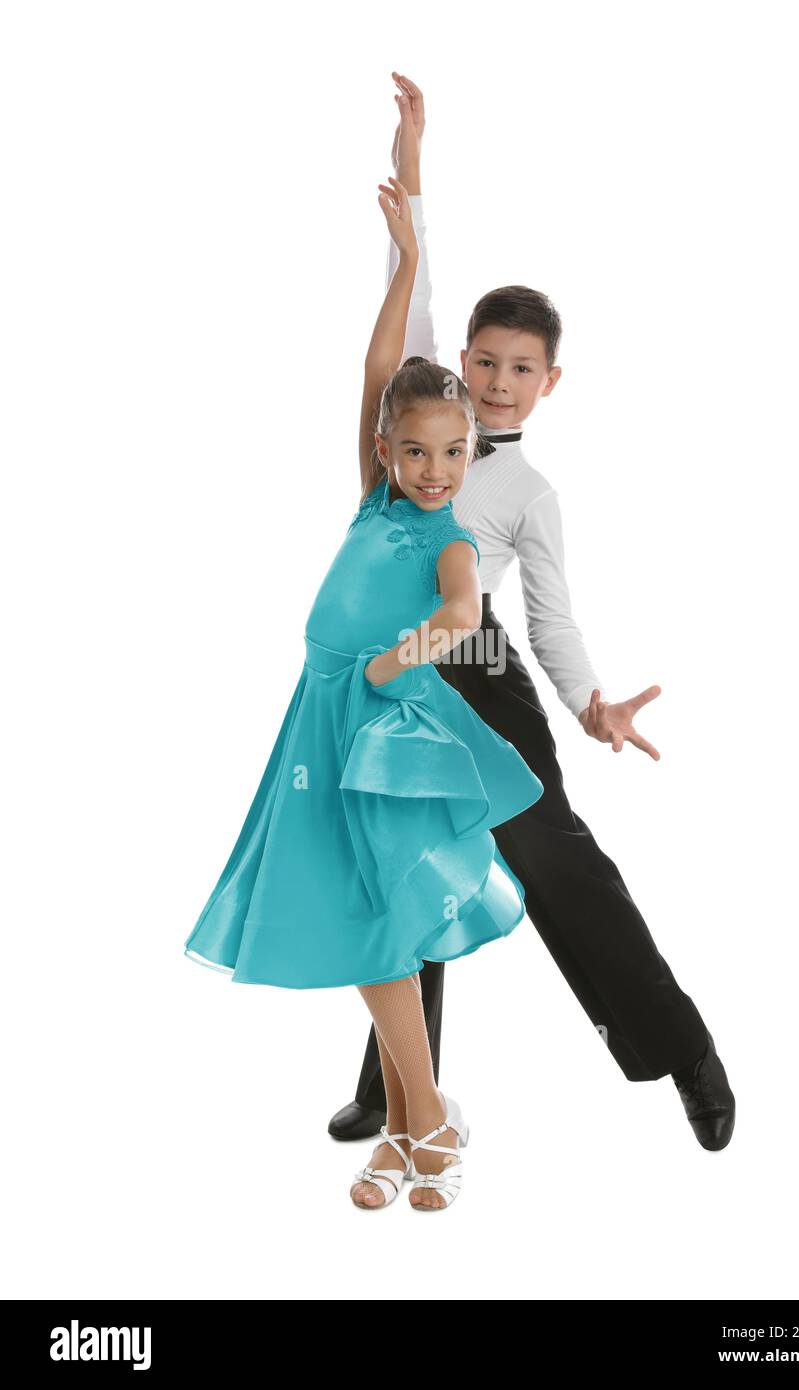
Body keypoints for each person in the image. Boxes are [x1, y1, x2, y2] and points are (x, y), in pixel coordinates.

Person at [327, 73, 735, 1153]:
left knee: (554, 864)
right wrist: (412, 167)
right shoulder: (415, 416)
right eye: (485, 362)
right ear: (459, 360)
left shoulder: (527, 494)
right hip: (388, 669)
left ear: (551, 382)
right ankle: (399, 1084)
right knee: (400, 867)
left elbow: (549, 618)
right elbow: (405, 290)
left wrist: (594, 703)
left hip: (480, 674)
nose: (498, 384)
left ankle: (680, 1043)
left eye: (522, 371)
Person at [184, 174, 544, 1211]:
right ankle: (403, 1132)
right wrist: (407, 262)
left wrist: (393, 663)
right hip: (318, 721)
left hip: (386, 729)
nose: (436, 471)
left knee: (385, 920)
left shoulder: (450, 537)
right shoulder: (375, 497)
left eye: (455, 454)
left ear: (472, 455)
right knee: (360, 915)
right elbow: (380, 366)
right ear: (387, 450)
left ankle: (425, 1120)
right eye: (419, 451)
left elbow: (463, 615)